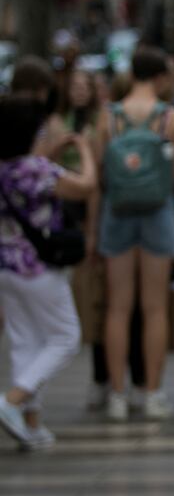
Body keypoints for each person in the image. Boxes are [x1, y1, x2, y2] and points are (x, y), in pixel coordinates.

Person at [91, 47, 174, 422]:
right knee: (154, 308)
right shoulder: (170, 117)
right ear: (162, 77)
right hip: (158, 213)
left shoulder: (108, 116)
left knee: (118, 307)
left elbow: (98, 175)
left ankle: (117, 394)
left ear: (131, 74)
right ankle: (152, 392)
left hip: (116, 214)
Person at [0, 99, 96, 449]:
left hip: (6, 265)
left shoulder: (10, 169)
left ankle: (31, 423)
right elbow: (85, 185)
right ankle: (11, 401)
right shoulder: (37, 170)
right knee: (65, 337)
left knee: (25, 341)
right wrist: (84, 150)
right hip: (38, 267)